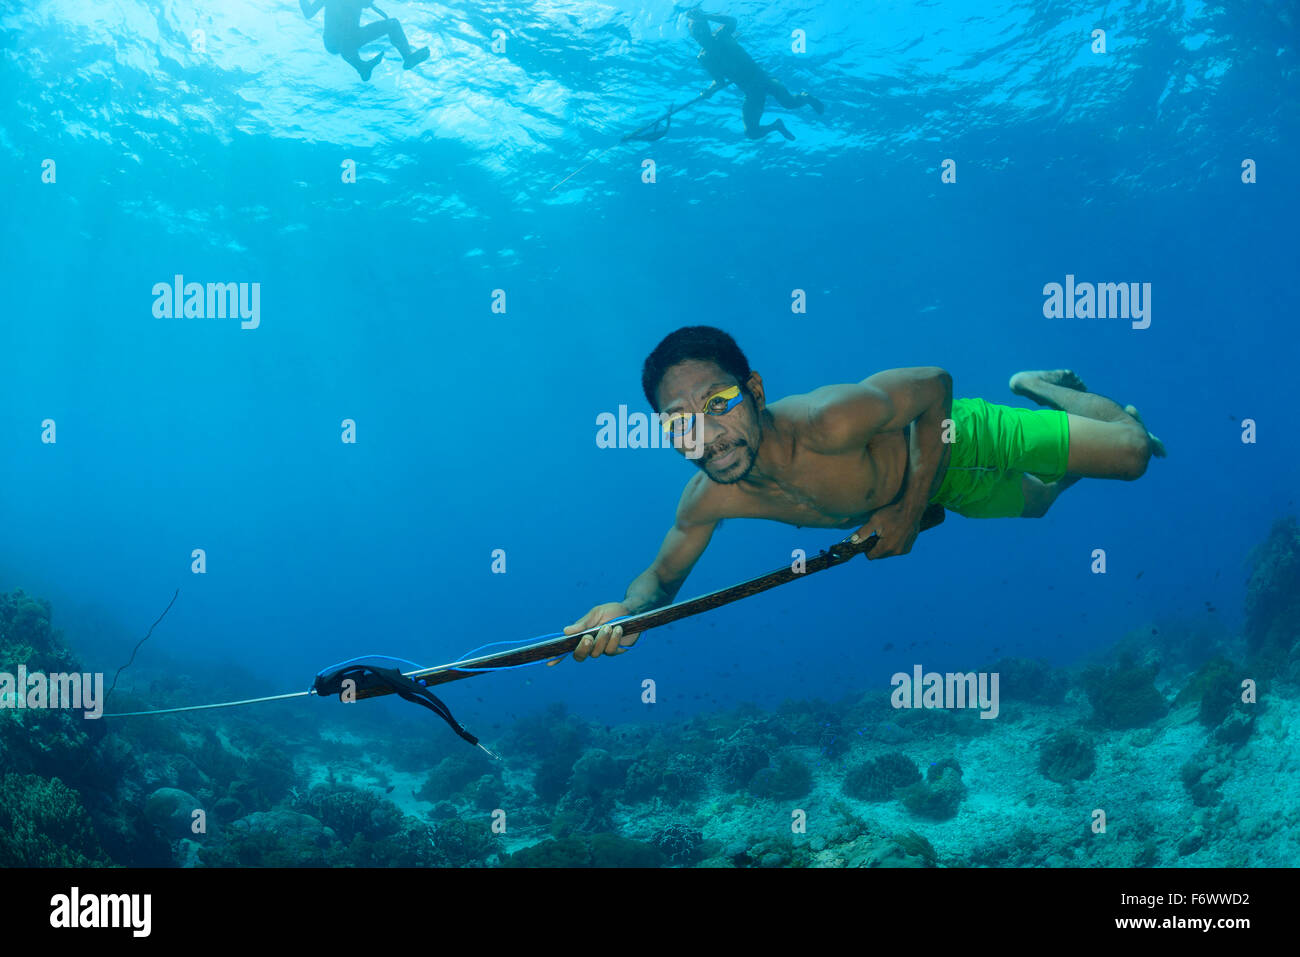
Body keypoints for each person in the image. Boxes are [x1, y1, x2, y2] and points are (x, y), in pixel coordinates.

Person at [562, 325, 1166, 661]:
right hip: (937, 494)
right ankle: (1072, 446)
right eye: (680, 421)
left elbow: (935, 385)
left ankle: (1037, 386)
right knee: (1038, 503)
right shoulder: (707, 500)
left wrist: (904, 512)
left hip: (957, 437)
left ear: (755, 390)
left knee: (1133, 454)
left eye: (719, 403)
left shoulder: (829, 420)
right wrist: (628, 611)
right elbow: (661, 581)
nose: (708, 434)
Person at [687, 7, 824, 140]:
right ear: (692, 35)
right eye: (695, 31)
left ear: (707, 28)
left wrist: (706, 16)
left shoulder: (722, 35)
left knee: (789, 104)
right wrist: (709, 91)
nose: (699, 34)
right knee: (752, 132)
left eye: (701, 28)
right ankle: (776, 126)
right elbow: (720, 81)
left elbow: (732, 21)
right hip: (751, 93)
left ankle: (806, 98)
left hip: (765, 80)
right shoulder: (704, 58)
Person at [299, 0, 430, 82]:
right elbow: (309, 13)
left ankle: (407, 56)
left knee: (392, 24)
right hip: (334, 40)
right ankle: (361, 66)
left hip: (350, 37)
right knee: (346, 39)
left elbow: (308, 13)